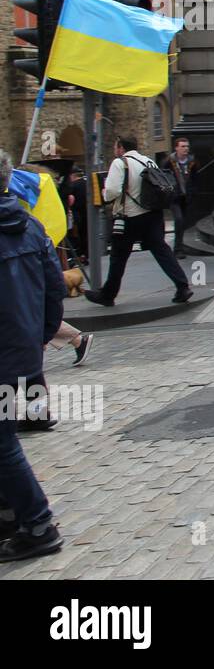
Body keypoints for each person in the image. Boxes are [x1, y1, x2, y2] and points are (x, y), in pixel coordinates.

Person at [0, 149, 66, 561]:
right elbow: (54, 288)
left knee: (3, 444)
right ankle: (12, 513)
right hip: (21, 351)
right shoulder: (30, 225)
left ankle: (38, 524)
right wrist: (39, 336)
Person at [84, 136, 192, 308]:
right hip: (153, 215)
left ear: (120, 148)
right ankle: (182, 286)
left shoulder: (120, 163)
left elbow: (112, 191)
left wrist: (105, 194)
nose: (114, 150)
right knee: (162, 251)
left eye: (115, 146)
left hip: (130, 217)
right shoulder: (148, 161)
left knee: (118, 256)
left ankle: (107, 294)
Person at [167, 137, 198, 257]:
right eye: (183, 146)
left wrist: (193, 192)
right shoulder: (169, 162)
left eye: (187, 146)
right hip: (174, 197)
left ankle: (179, 245)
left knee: (183, 222)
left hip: (186, 197)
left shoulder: (192, 162)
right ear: (176, 148)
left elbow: (195, 178)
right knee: (179, 219)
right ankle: (177, 249)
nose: (186, 149)